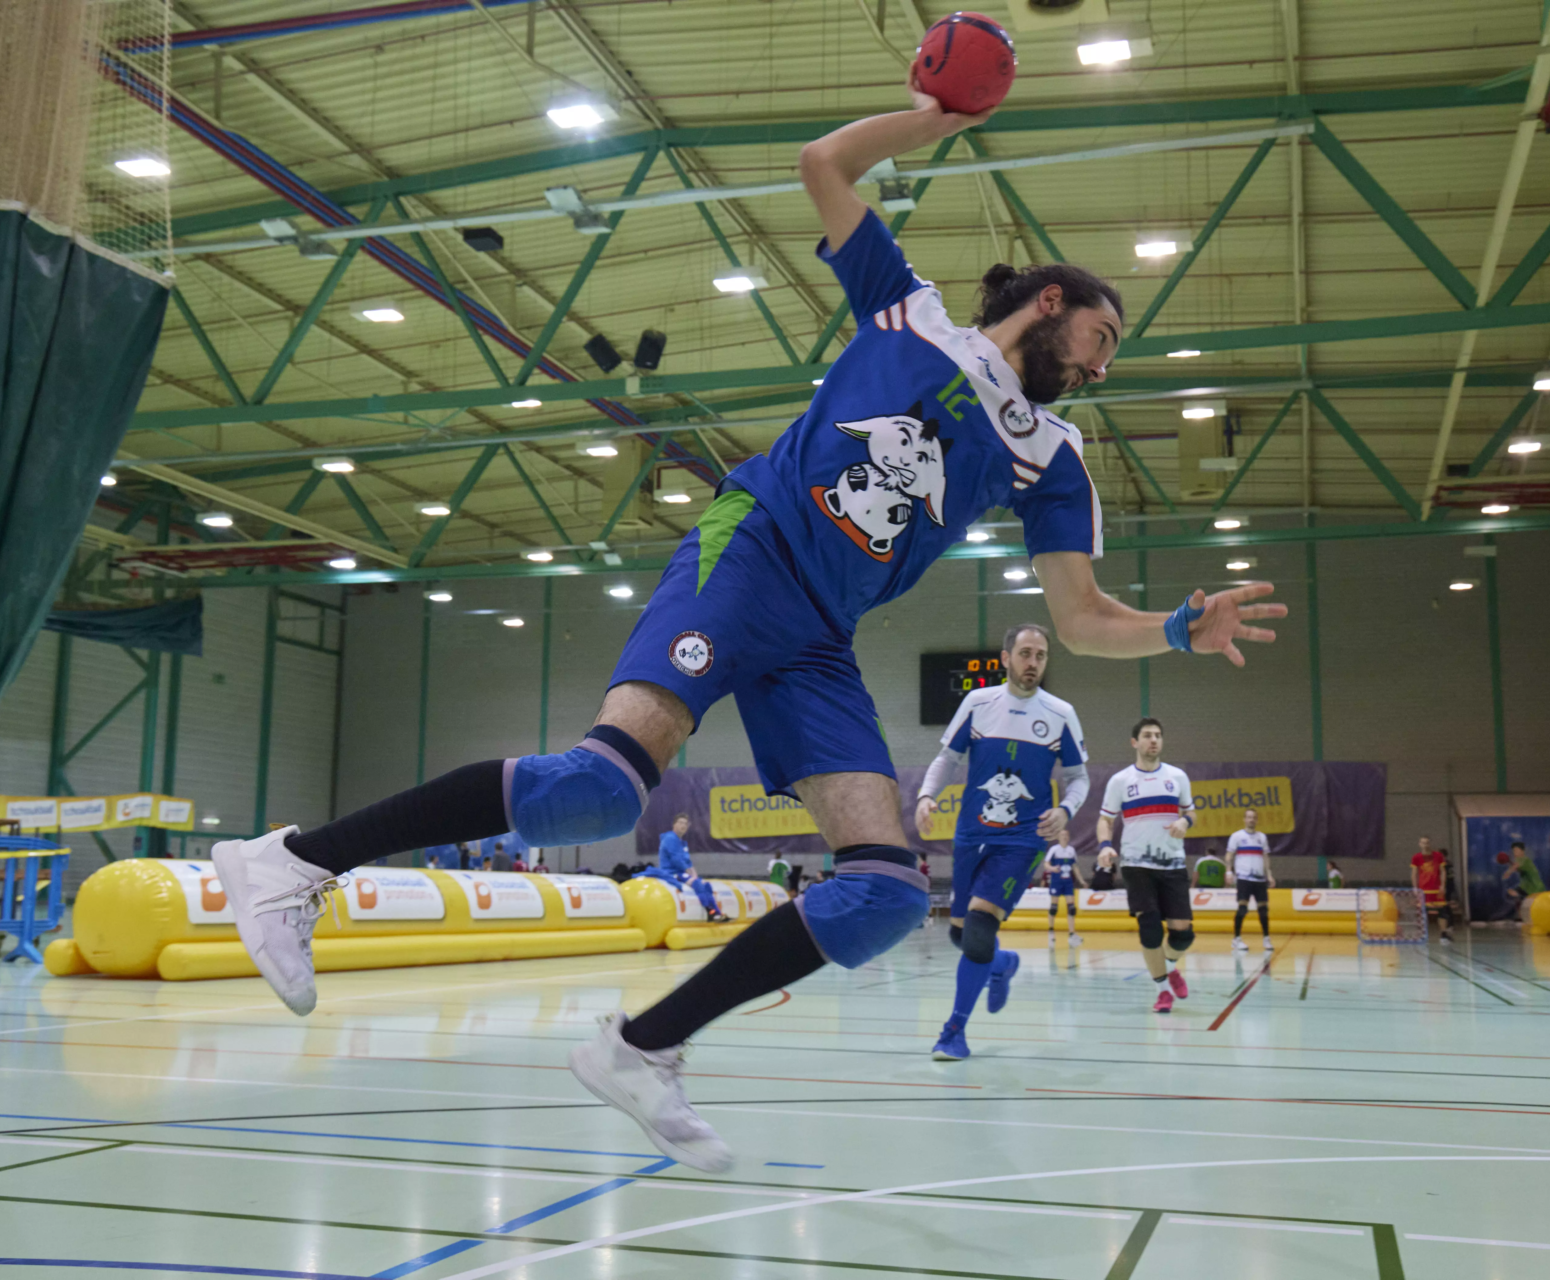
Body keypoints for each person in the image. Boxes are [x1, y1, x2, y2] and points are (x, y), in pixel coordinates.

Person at [206, 77, 1283, 1173]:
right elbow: (824, 163)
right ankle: (290, 862)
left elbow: (1083, 615)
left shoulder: (1052, 457)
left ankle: (644, 1044)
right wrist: (939, 122)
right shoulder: (907, 312)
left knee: (883, 893)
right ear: (1048, 300)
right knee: (597, 785)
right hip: (754, 543)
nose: (1102, 369)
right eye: (1101, 337)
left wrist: (1180, 628)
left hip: (820, 632)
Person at [916, 623, 1087, 1060]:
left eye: (1041, 656)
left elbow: (1077, 778)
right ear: (1006, 658)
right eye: (1026, 653)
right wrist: (925, 796)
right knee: (962, 938)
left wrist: (1065, 809)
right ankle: (1002, 963)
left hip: (1023, 839)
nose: (1033, 663)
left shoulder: (1060, 713)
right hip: (971, 834)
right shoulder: (978, 703)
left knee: (976, 932)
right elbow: (948, 758)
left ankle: (953, 1032)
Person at [1097, 718, 1197, 1014]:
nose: (1153, 740)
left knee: (1183, 933)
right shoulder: (1120, 780)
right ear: (1134, 742)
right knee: (1150, 929)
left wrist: (1184, 821)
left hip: (1172, 863)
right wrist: (1105, 845)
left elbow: (1192, 813)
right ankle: (1162, 990)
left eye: (1158, 736)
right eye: (1147, 736)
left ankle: (1169, 966)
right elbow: (1105, 819)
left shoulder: (1177, 777)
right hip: (1136, 863)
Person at [638, 814, 726, 921]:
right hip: (671, 872)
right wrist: (690, 873)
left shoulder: (682, 843)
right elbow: (676, 860)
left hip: (681, 872)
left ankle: (717, 912)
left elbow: (687, 861)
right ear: (674, 825)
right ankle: (709, 911)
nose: (683, 826)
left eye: (685, 824)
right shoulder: (670, 838)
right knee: (697, 883)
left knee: (706, 885)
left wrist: (693, 872)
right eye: (680, 823)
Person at [1226, 808, 1274, 953]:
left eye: (1254, 817)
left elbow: (1266, 857)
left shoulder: (1262, 838)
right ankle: (1237, 939)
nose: (1251, 819)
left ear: (1257, 820)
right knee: (1242, 909)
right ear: (1244, 819)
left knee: (1263, 911)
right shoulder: (1237, 836)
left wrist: (1269, 875)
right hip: (1244, 878)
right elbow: (1229, 855)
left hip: (1259, 879)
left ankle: (1266, 938)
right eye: (1248, 817)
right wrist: (1229, 871)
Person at [1410, 837, 1454, 945]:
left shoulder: (1438, 856)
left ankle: (1443, 934)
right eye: (1423, 843)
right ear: (1419, 844)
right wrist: (1415, 887)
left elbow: (1442, 871)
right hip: (1423, 890)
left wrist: (1443, 885)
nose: (1425, 844)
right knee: (1421, 912)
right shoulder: (1416, 858)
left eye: (1427, 842)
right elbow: (1414, 873)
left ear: (1430, 843)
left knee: (1442, 911)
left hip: (1437, 889)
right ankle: (1421, 933)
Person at [1044, 839, 1080, 947]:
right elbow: (1046, 864)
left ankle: (1072, 934)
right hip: (1056, 881)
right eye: (1062, 835)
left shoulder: (1071, 850)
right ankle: (1051, 932)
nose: (1064, 837)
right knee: (1054, 908)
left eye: (1066, 835)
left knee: (1072, 908)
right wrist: (1052, 868)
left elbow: (1075, 866)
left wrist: (1082, 880)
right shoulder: (1054, 849)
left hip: (1068, 882)